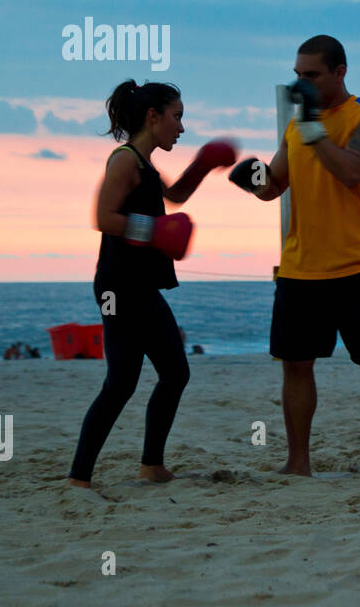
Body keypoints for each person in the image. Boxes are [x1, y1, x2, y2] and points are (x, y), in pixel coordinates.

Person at [229, 35, 360, 478]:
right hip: (300, 268)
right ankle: (297, 463)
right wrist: (250, 177)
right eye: (297, 75)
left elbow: (352, 171)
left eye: (312, 75)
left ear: (340, 72)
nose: (301, 82)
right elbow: (273, 187)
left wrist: (313, 131)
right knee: (295, 366)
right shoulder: (297, 126)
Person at [68, 80, 237, 487]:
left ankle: (144, 467)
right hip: (119, 286)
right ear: (153, 116)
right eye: (177, 117)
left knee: (155, 376)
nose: (181, 127)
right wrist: (155, 231)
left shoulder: (145, 164)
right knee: (136, 380)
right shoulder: (124, 161)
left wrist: (203, 164)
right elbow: (103, 218)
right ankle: (86, 476)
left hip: (136, 283)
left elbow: (175, 195)